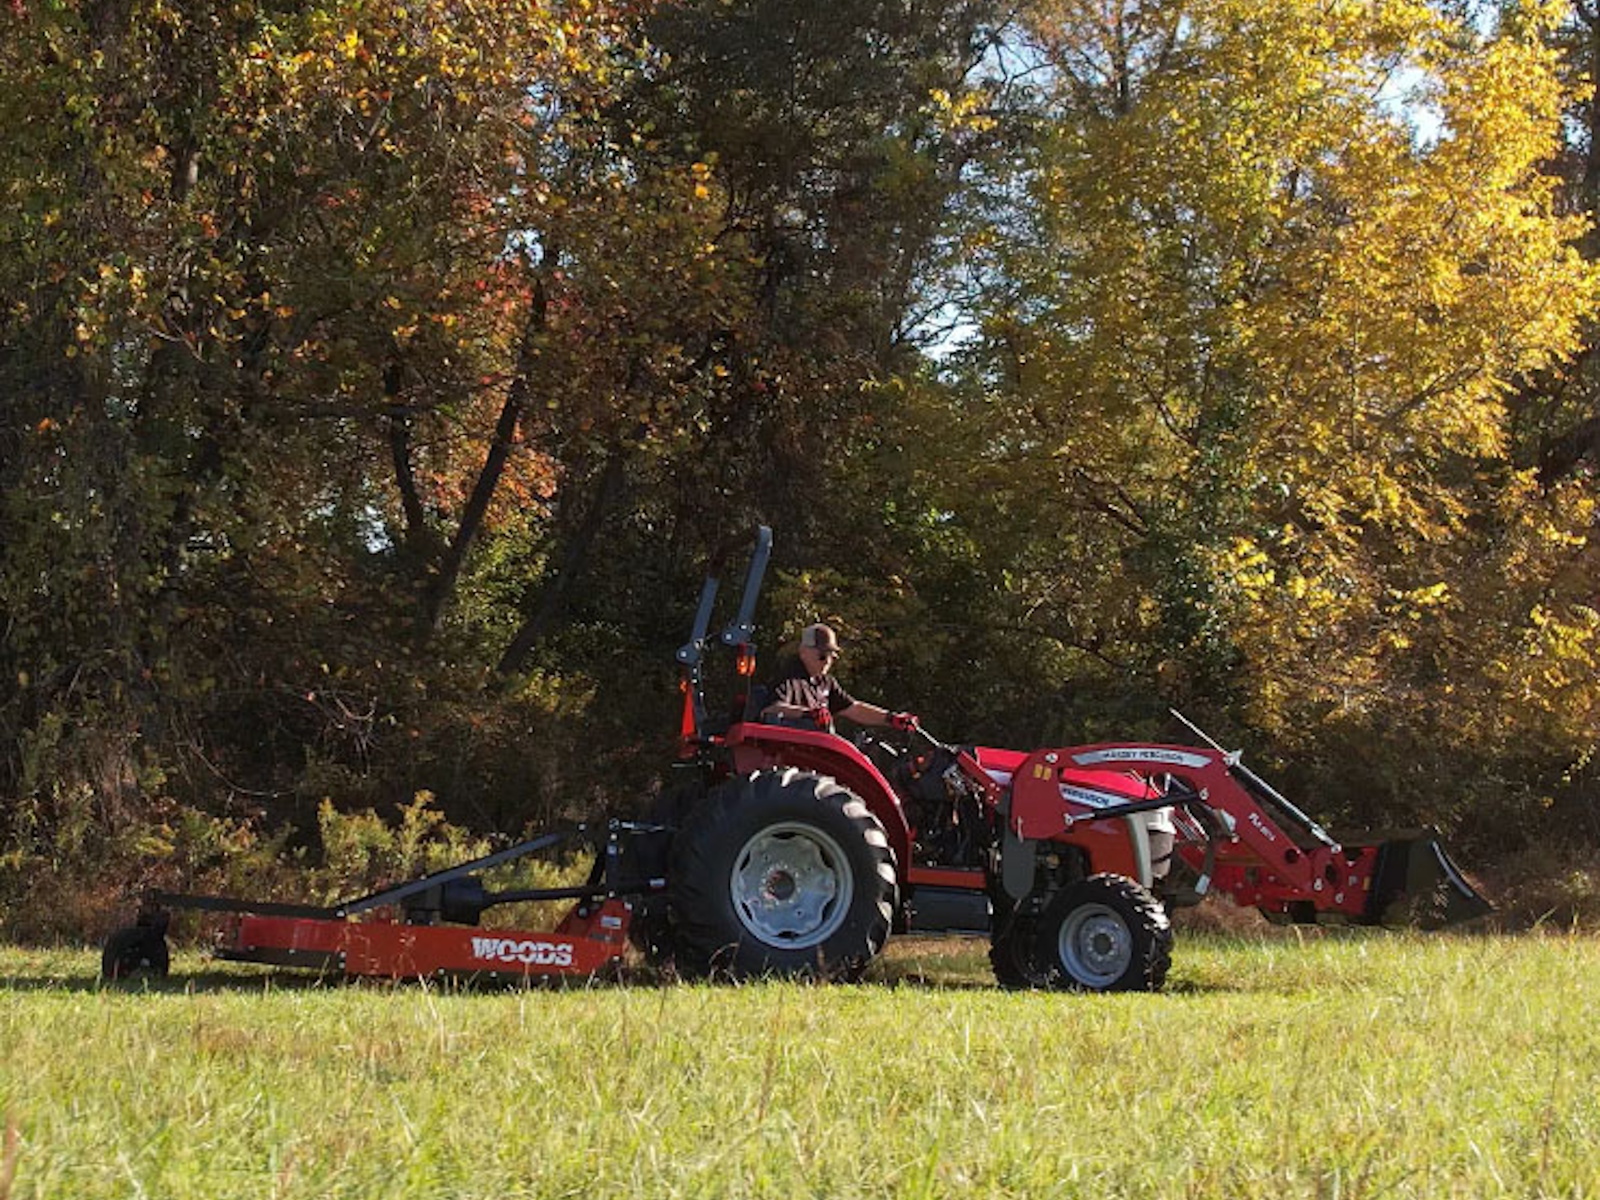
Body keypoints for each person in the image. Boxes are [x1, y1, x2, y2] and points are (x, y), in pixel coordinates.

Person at [761, 623, 919, 734]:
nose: (827, 661)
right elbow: (771, 709)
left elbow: (854, 709)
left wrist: (891, 719)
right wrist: (808, 714)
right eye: (822, 655)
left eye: (831, 656)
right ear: (803, 651)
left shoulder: (826, 683)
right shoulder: (789, 677)